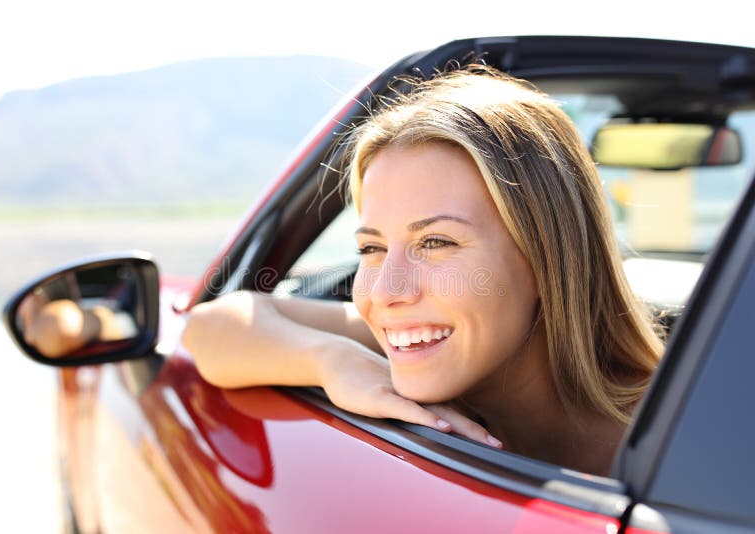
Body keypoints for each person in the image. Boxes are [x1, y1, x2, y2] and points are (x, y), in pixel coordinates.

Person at [182, 65, 664, 475]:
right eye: (371, 247)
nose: (386, 292)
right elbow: (211, 326)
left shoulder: (684, 438)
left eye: (435, 242)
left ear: (546, 259)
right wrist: (336, 363)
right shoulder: (415, 336)